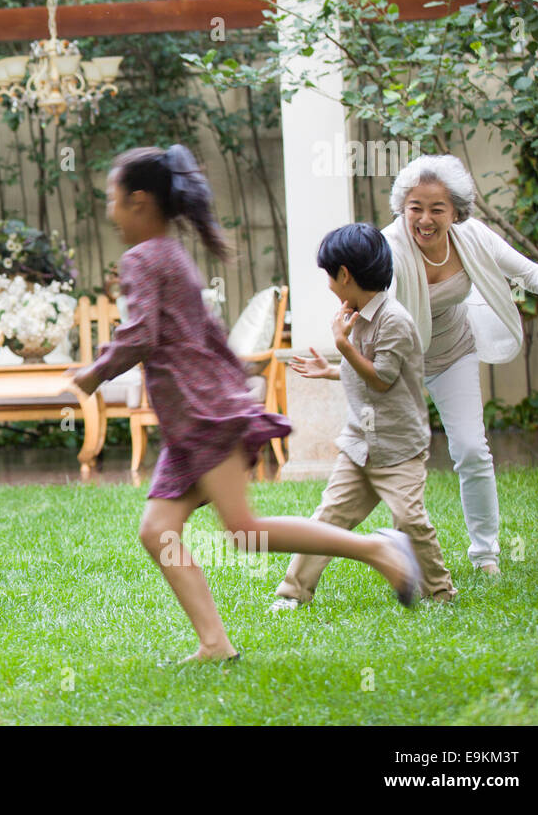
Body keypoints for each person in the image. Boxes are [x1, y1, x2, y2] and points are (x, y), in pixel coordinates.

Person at [71, 145, 423, 663]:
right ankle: (214, 644)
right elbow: (203, 337)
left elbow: (141, 332)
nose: (109, 210)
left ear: (139, 201)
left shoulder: (142, 259)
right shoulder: (169, 256)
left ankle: (379, 548)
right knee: (157, 529)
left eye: (112, 198)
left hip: (205, 417)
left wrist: (92, 373)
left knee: (244, 531)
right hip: (196, 420)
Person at [383, 155, 538, 575]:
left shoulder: (472, 237)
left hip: (452, 353)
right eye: (416, 208)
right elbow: (366, 302)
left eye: (437, 209)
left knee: (471, 449)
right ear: (402, 207)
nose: (425, 219)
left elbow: (532, 274)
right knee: (394, 462)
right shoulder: (387, 247)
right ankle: (403, 556)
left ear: (455, 211)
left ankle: (486, 554)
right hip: (400, 364)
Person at [273, 223, 456, 611]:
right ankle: (293, 593)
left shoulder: (395, 321)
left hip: (398, 448)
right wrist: (332, 368)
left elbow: (383, 379)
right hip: (360, 445)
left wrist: (342, 345)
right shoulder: (355, 313)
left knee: (409, 519)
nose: (327, 285)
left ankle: (440, 593)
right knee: (327, 518)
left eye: (329, 274)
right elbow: (365, 367)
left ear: (345, 274)